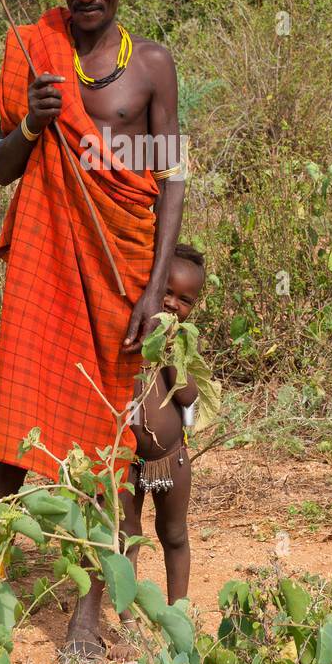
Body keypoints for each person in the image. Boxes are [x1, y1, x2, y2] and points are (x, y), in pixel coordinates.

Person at [0, 0, 185, 664]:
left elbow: (170, 182)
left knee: (108, 451)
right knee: (8, 447)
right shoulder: (29, 53)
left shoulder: (153, 69)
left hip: (120, 275)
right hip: (44, 271)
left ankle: (85, 620)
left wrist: (152, 289)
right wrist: (33, 127)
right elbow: (1, 167)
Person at [120, 244, 207, 607]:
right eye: (166, 292)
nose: (172, 304)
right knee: (126, 535)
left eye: (184, 300)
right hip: (126, 458)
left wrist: (171, 351)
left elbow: (187, 397)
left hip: (173, 457)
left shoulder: (182, 342)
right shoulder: (132, 332)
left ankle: (179, 615)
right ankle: (125, 621)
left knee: (173, 534)